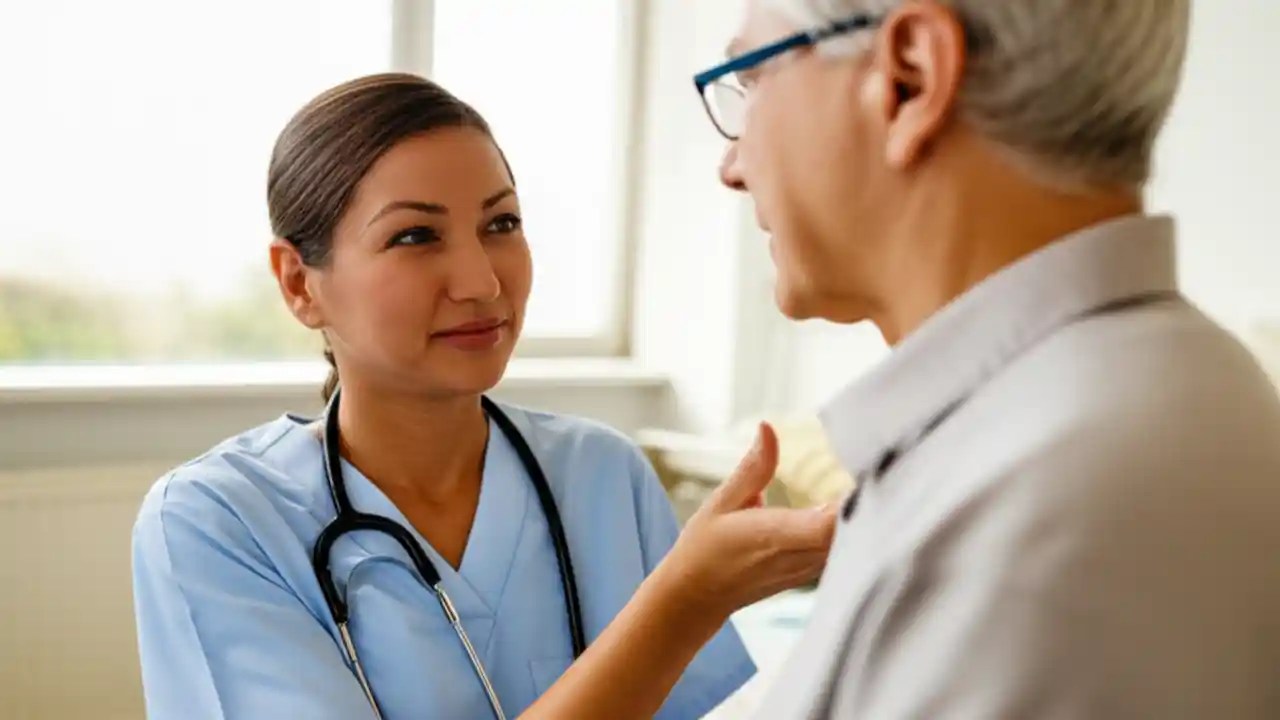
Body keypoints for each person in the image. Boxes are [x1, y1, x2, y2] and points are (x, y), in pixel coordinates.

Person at [130, 73, 837, 720]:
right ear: (298, 283)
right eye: (415, 236)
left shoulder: (603, 475)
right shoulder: (218, 521)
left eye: (501, 224)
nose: (481, 282)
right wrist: (683, 601)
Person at [687, 0, 1280, 717]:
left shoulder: (1036, 517)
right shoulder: (1193, 392)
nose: (731, 166)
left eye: (751, 78)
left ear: (910, 79)